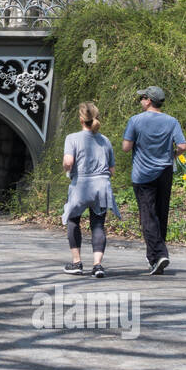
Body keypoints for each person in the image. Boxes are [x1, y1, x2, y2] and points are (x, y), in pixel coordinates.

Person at [122, 86, 186, 275]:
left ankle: (159, 254)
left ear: (148, 100)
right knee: (160, 214)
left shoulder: (135, 120)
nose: (140, 100)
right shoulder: (172, 121)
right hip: (165, 172)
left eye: (142, 97)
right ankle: (155, 259)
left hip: (143, 175)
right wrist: (172, 154)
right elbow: (182, 145)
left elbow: (126, 147)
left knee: (148, 216)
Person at [61, 103, 119, 278]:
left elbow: (69, 162)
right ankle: (98, 265)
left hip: (81, 186)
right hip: (101, 187)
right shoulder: (105, 140)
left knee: (73, 220)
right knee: (98, 224)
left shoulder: (72, 138)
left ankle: (77, 263)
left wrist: (66, 168)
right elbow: (112, 170)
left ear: (81, 119)